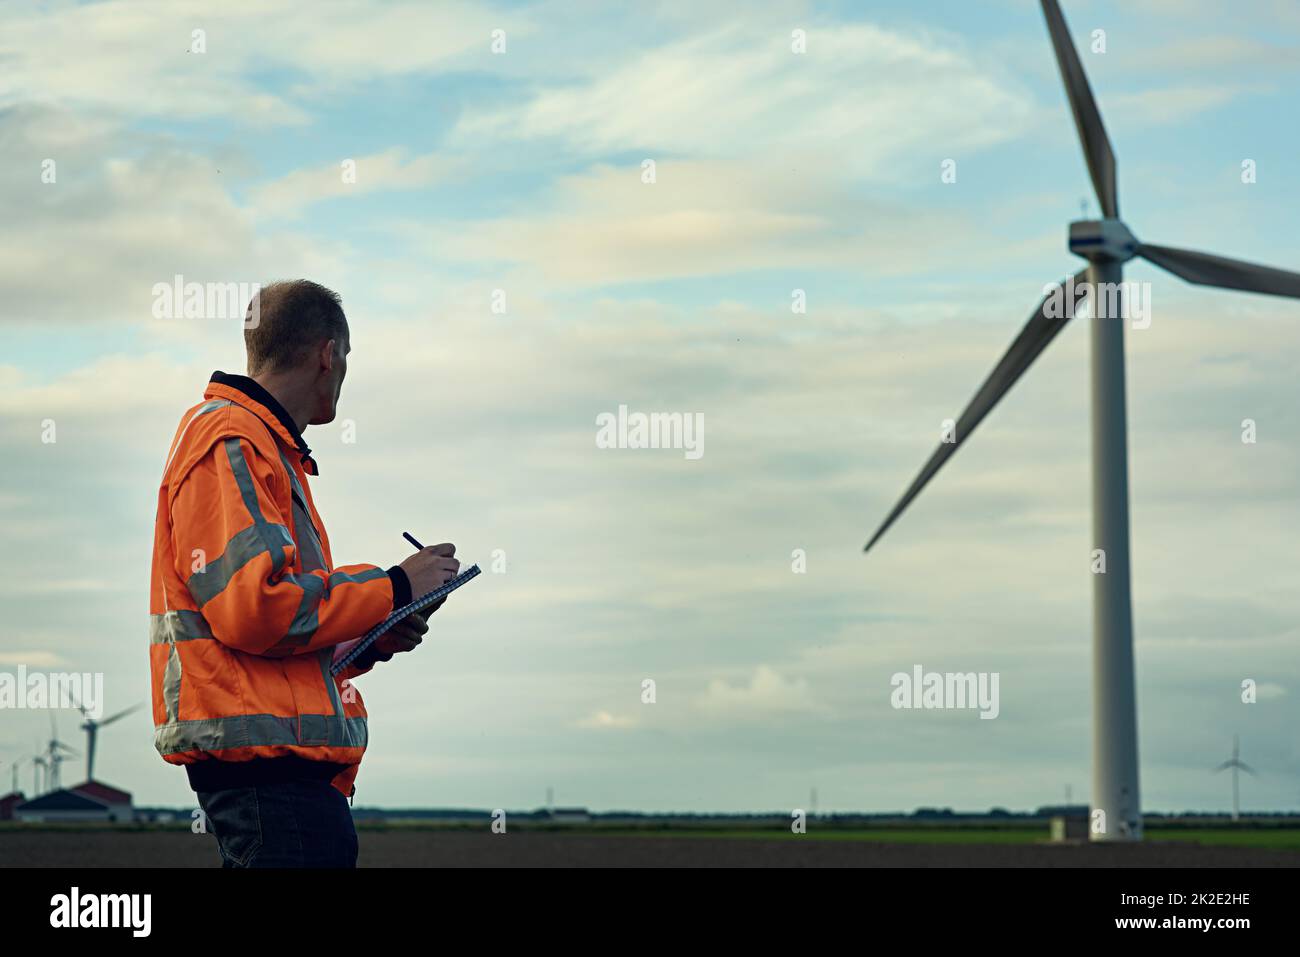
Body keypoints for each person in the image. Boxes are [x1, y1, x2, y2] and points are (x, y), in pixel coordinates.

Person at [147, 279, 459, 868]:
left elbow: (275, 627)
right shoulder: (230, 439)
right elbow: (255, 610)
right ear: (328, 354)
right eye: (346, 359)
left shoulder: (263, 446)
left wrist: (372, 632)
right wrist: (395, 585)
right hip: (270, 779)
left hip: (283, 775)